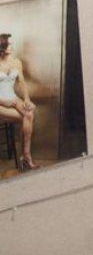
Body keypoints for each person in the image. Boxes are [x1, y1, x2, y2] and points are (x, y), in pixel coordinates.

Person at [0, 34, 38, 170]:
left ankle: (26, 155)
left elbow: (22, 83)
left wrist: (27, 99)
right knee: (27, 117)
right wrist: (3, 102)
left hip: (14, 99)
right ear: (2, 48)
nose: (12, 46)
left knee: (29, 113)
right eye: (9, 44)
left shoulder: (17, 62)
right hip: (0, 103)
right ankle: (26, 158)